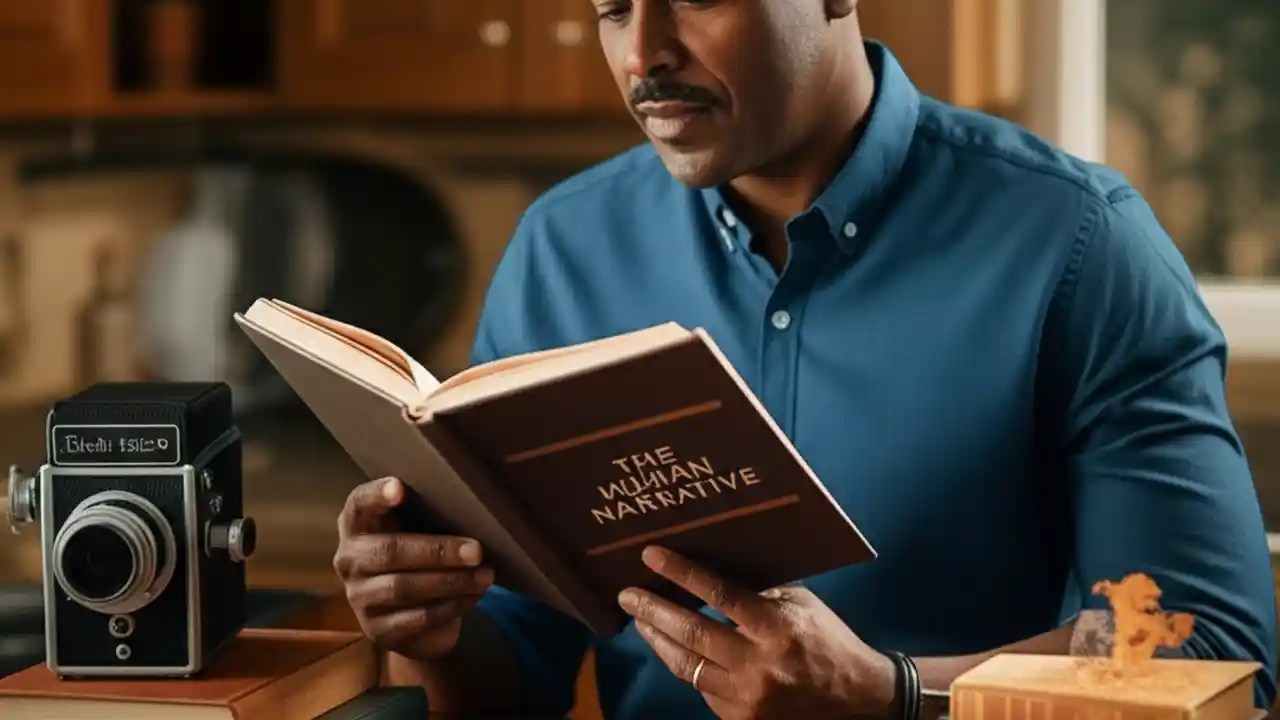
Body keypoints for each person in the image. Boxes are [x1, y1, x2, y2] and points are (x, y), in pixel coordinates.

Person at [330, 1, 1279, 718]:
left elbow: (1209, 655)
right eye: (612, 6)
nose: (642, 54)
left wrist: (890, 696)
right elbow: (519, 675)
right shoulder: (563, 249)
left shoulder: (1080, 245)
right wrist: (437, 631)